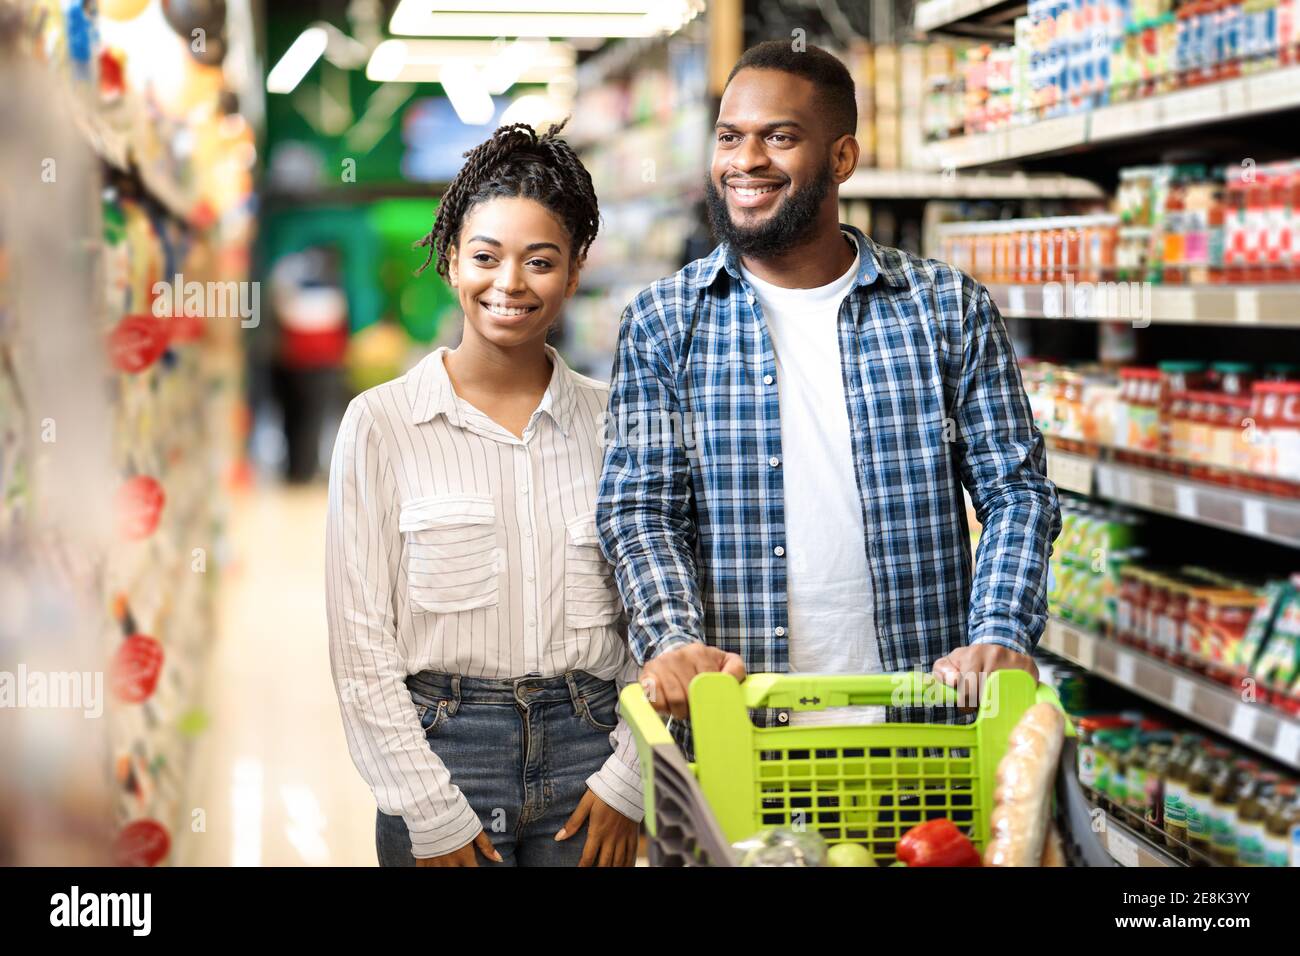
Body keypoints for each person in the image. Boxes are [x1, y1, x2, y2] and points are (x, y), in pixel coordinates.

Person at [596, 42, 1062, 741]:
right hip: (739, 729)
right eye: (730, 137)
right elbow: (641, 511)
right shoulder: (664, 322)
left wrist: (1000, 630)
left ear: (842, 158)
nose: (746, 160)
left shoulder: (946, 308)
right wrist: (670, 639)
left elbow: (1017, 492)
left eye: (778, 137)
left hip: (924, 723)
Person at [327, 122, 641, 867]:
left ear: (575, 271)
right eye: (486, 257)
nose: (509, 284)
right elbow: (359, 641)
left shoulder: (617, 423)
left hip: (591, 752)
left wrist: (631, 778)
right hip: (442, 752)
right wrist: (427, 810)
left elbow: (655, 617)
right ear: (449, 261)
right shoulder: (381, 426)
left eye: (540, 261)